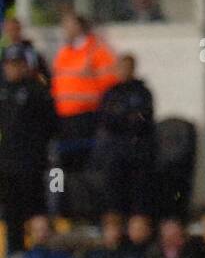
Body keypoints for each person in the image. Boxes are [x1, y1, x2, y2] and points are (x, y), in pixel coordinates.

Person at [0, 43, 58, 258]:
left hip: (32, 162)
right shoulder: (4, 91)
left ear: (26, 65)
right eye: (9, 64)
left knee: (36, 209)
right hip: (7, 163)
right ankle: (15, 252)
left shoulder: (37, 91)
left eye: (17, 64)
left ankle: (41, 251)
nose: (12, 69)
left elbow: (51, 126)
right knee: (12, 211)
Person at [50, 14, 118, 176]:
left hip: (85, 118)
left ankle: (82, 199)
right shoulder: (64, 52)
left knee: (84, 164)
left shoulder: (95, 50)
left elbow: (109, 83)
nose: (65, 29)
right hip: (62, 118)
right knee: (60, 166)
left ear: (79, 27)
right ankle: (60, 198)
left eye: (68, 25)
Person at [91, 54, 156, 216]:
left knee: (138, 198)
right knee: (115, 198)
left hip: (138, 154)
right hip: (115, 155)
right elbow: (106, 119)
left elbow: (142, 120)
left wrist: (122, 117)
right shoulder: (111, 93)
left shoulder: (142, 92)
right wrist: (125, 117)